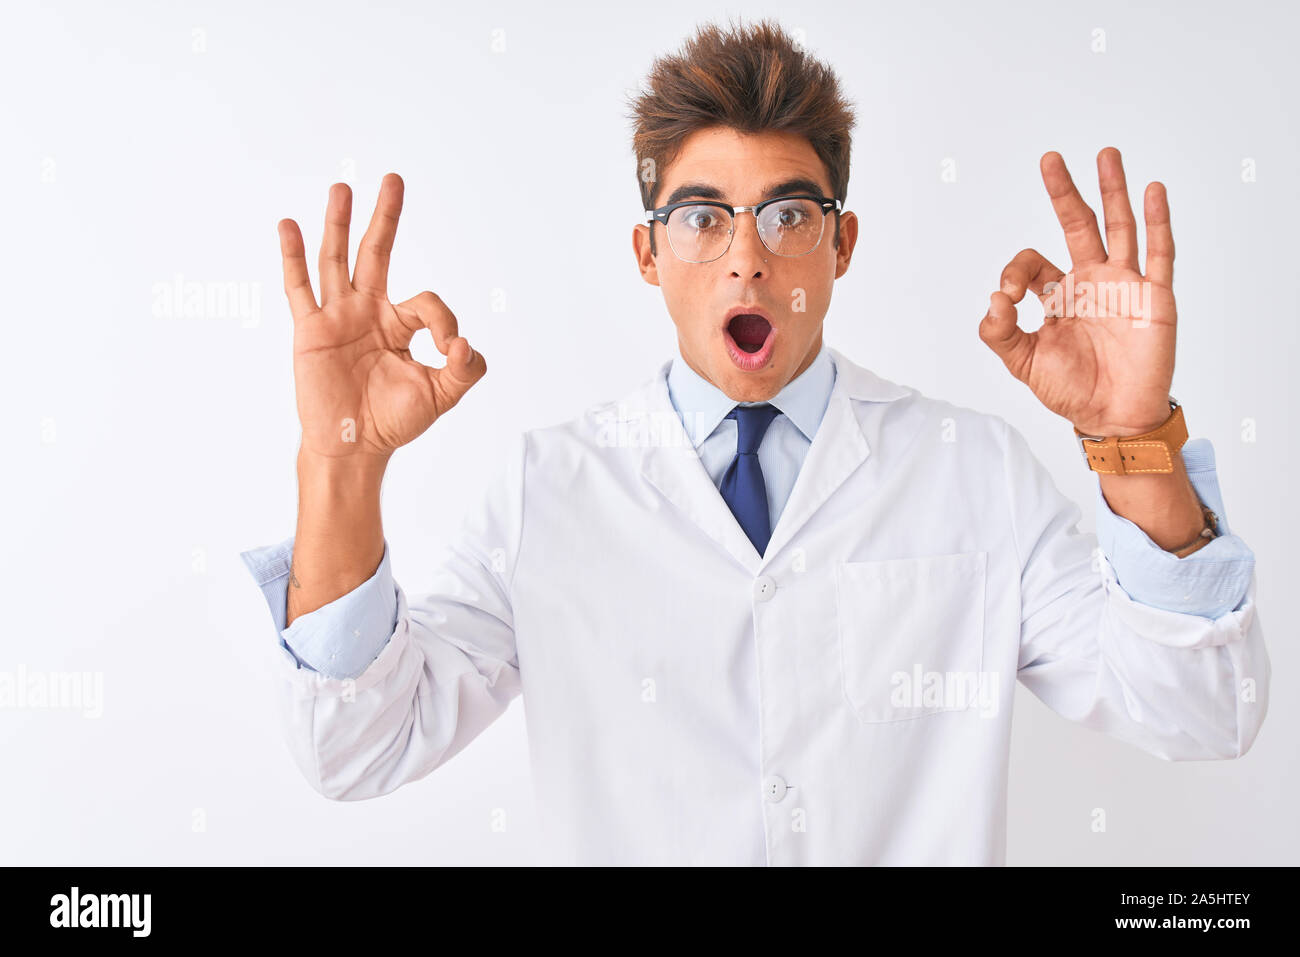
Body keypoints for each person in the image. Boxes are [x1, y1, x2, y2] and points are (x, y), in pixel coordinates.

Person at [241, 18, 1268, 865]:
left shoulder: (972, 470)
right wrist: (342, 457)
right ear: (647, 254)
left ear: (842, 242)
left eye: (788, 216)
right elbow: (354, 750)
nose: (745, 260)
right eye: (700, 218)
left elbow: (1201, 713)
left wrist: (1133, 437)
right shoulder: (546, 487)